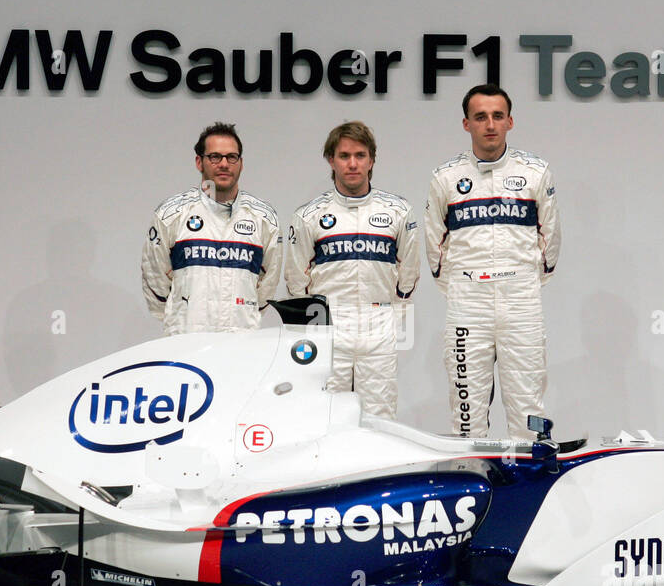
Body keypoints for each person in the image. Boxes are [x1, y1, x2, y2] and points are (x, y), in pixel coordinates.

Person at [424, 84, 561, 439]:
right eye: (481, 116)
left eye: (497, 116)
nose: (490, 124)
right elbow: (434, 246)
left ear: (510, 122)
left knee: (528, 408)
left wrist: (522, 279)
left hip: (521, 300)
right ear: (466, 123)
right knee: (466, 414)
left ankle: (526, 490)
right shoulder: (445, 177)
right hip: (468, 302)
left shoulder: (536, 172)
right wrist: (462, 285)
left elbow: (551, 240)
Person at [285, 121, 419, 418]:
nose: (353, 164)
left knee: (379, 417)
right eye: (344, 156)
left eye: (360, 155)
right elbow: (296, 280)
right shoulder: (309, 216)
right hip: (329, 325)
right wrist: (318, 320)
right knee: (323, 416)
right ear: (331, 160)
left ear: (372, 160)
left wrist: (390, 310)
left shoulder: (398, 211)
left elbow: (408, 273)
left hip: (379, 321)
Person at [141, 122, 281, 334]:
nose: (224, 164)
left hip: (241, 340)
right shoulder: (171, 214)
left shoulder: (264, 218)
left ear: (241, 163)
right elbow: (155, 283)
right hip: (186, 340)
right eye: (215, 157)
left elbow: (266, 287)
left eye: (231, 157)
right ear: (199, 162)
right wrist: (179, 316)